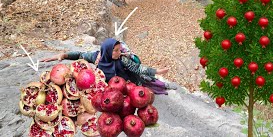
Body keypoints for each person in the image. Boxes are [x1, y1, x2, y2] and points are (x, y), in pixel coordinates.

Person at [41, 38, 177, 95]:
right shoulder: (96, 58)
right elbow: (80, 55)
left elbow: (138, 69)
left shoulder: (123, 60)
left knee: (150, 84)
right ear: (107, 50)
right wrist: (64, 55)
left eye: (119, 49)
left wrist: (156, 71)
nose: (119, 53)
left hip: (130, 82)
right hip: (113, 90)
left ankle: (165, 86)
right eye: (116, 50)